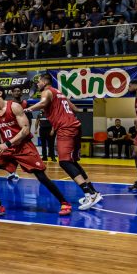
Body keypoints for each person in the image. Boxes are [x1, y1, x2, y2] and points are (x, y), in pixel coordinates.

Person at [0, 85, 71, 217]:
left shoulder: (14, 107)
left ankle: (65, 203)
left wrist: (8, 143)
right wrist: (3, 144)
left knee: (41, 177)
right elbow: (3, 130)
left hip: (23, 147)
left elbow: (25, 129)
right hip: (8, 149)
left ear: (0, 93)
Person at [26, 74, 102, 210]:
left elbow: (43, 103)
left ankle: (90, 194)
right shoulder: (59, 92)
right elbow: (74, 107)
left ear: (44, 82)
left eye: (38, 82)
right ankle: (94, 191)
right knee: (72, 161)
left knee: (65, 162)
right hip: (75, 125)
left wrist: (28, 109)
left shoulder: (46, 92)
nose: (37, 85)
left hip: (66, 128)